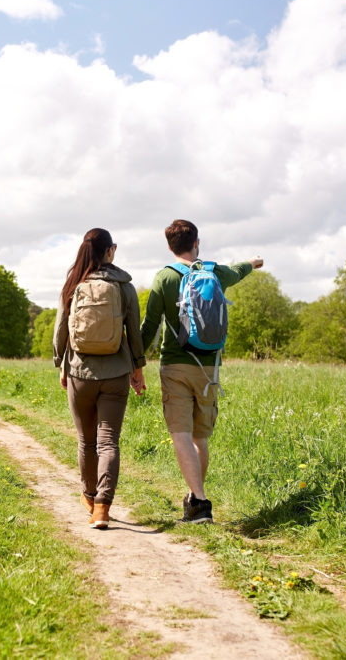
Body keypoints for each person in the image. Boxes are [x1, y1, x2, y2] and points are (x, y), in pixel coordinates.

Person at [140, 219, 263, 524]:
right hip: (209, 368)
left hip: (175, 366)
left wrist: (135, 363)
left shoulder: (164, 278)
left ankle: (200, 503)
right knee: (200, 436)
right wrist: (253, 262)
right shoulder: (215, 272)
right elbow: (238, 270)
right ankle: (196, 497)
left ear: (170, 246)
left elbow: (149, 326)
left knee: (180, 433)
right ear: (197, 242)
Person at [54, 228, 146, 529]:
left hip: (80, 371)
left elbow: (60, 332)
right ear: (110, 251)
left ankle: (90, 495)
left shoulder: (72, 284)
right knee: (109, 442)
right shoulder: (123, 286)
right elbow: (133, 331)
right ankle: (103, 509)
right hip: (116, 372)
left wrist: (61, 365)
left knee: (86, 441)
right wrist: (137, 368)